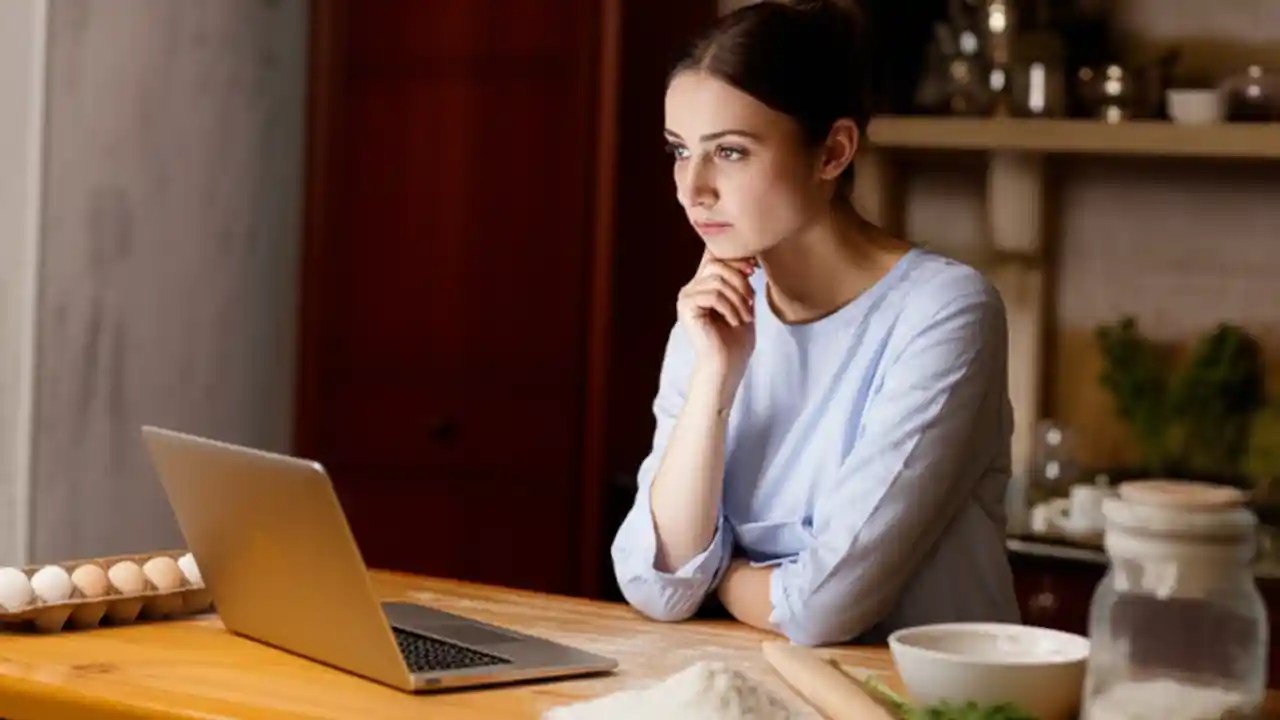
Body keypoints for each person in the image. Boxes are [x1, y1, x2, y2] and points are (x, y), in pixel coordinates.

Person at [610, 0, 1020, 646]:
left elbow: (823, 606)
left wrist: (716, 575)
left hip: (921, 703)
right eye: (679, 151)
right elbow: (656, 582)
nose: (693, 189)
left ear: (832, 152)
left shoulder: (944, 313)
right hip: (755, 694)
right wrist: (716, 375)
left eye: (732, 153)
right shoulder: (715, 311)